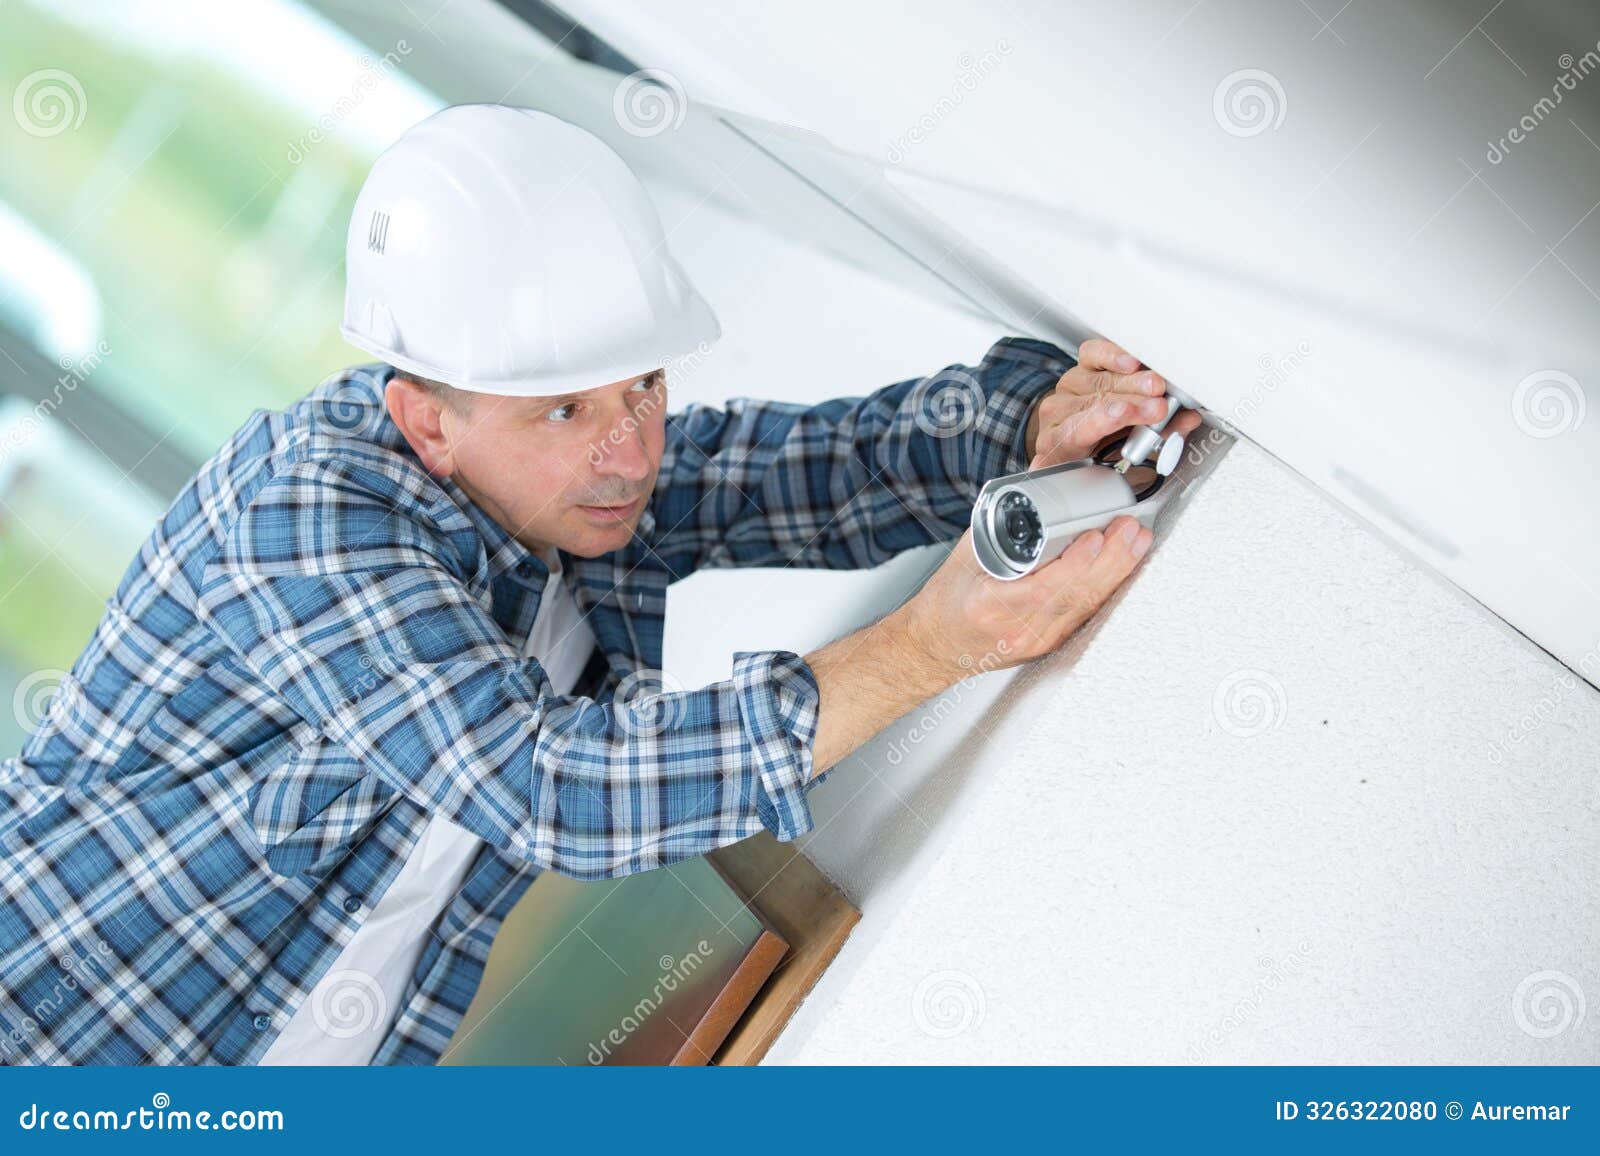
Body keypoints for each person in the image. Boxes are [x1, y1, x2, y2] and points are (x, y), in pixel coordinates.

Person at [0, 104, 1197, 1065]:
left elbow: (794, 472)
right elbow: (550, 787)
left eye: (643, 387)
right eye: (566, 409)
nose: (628, 450)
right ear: (427, 421)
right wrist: (931, 644)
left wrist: (1025, 420)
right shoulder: (303, 517)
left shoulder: (559, 490)